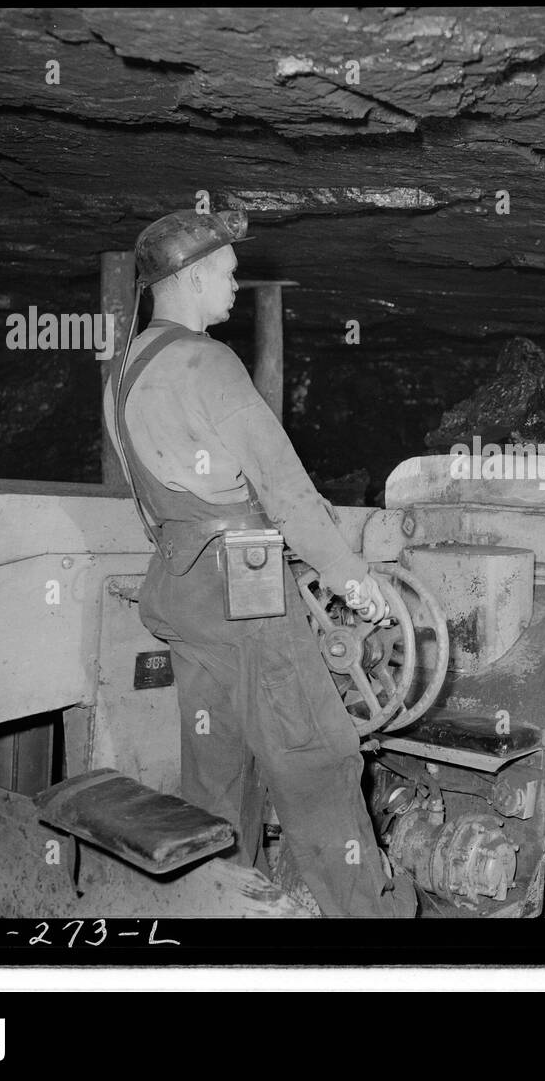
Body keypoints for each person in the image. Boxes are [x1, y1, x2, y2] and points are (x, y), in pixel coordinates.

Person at [103, 208, 412, 917]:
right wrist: (351, 578)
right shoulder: (207, 362)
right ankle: (373, 922)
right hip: (245, 589)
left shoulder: (124, 369)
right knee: (318, 760)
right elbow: (285, 489)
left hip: (180, 583)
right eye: (226, 268)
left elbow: (147, 499)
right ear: (186, 276)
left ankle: (219, 909)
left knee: (214, 768)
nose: (238, 280)